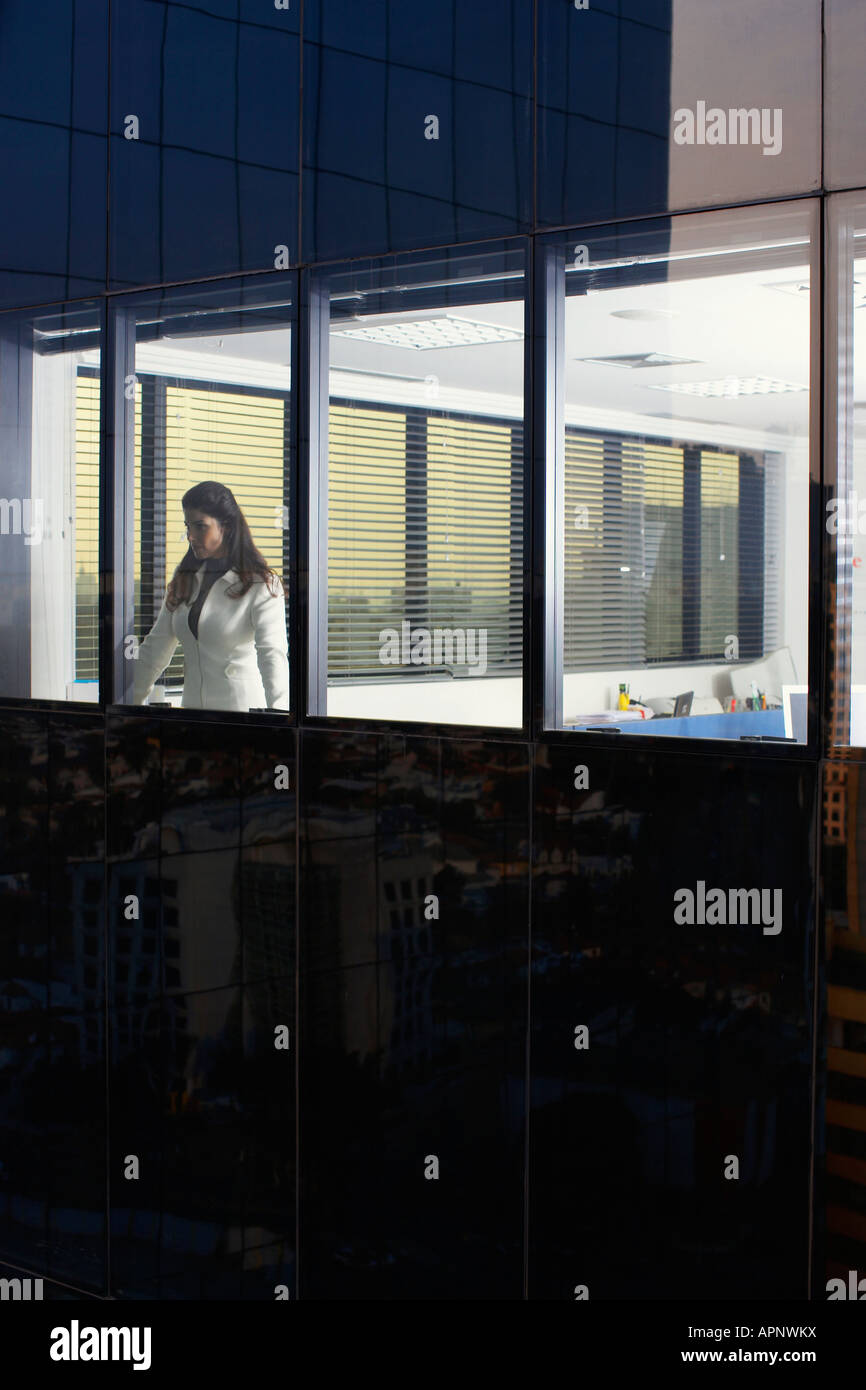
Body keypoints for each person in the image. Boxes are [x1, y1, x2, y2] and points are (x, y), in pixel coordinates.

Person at [131, 480, 289, 711]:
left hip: (241, 717)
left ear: (226, 526)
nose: (190, 536)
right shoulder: (185, 579)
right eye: (188, 527)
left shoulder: (261, 584)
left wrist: (280, 718)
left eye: (200, 526)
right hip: (194, 717)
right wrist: (125, 708)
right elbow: (154, 650)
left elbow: (272, 656)